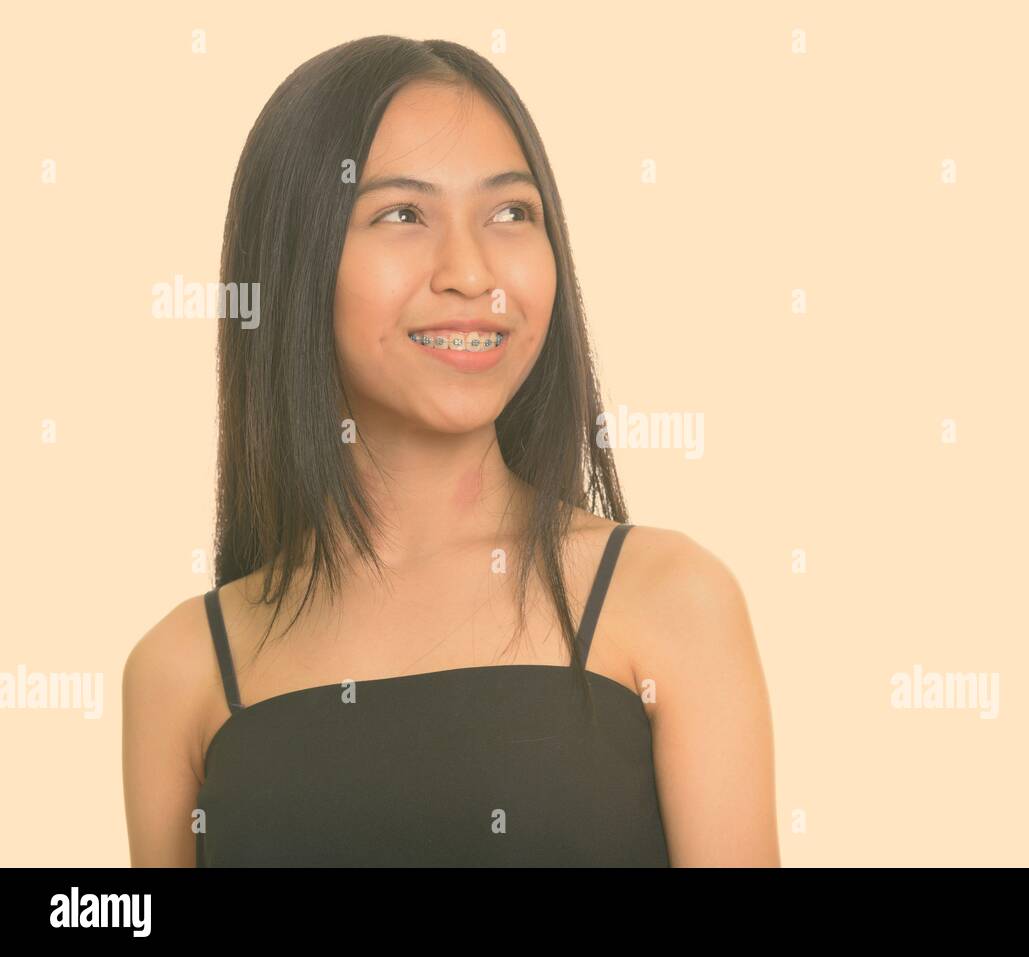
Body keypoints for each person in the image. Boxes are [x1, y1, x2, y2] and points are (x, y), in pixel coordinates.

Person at [122, 36, 778, 866]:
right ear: (296, 257)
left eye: (511, 213)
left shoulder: (672, 601)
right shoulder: (181, 668)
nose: (473, 273)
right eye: (402, 213)